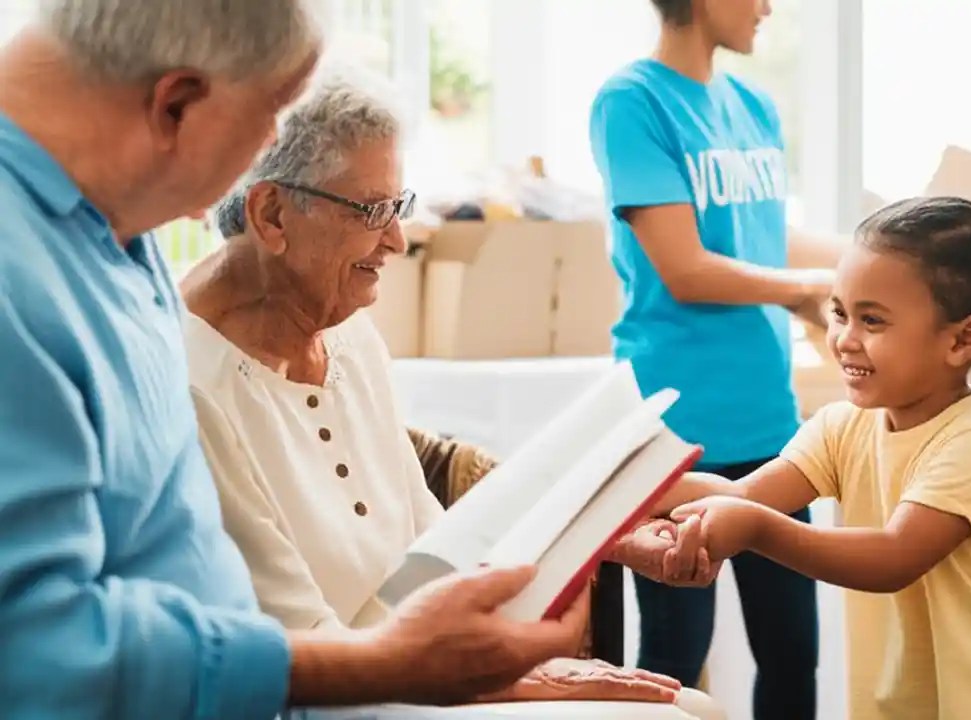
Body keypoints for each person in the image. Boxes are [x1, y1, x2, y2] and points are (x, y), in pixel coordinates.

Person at [0, 3, 638, 717]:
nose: (271, 144)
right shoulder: (20, 277)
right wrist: (392, 663)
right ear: (176, 104)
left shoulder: (117, 228)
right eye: (273, 112)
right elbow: (40, 655)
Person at [181, 67, 722, 715]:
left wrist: (590, 536)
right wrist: (493, 675)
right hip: (342, 692)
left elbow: (433, 546)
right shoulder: (190, 384)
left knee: (691, 708)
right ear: (272, 215)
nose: (396, 240)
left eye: (399, 206)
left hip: (423, 673)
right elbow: (294, 639)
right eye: (372, 210)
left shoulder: (347, 333)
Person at [651, 197, 971, 719]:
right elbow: (742, 494)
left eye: (873, 321)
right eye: (840, 313)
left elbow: (893, 557)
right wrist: (631, 497)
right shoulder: (844, 425)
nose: (845, 340)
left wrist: (756, 529)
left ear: (963, 339)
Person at [587, 1, 837, 715]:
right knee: (675, 654)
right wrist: (806, 290)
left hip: (770, 422)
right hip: (677, 427)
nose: (766, 7)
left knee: (793, 651)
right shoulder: (631, 102)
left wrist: (873, 270)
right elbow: (687, 269)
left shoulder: (754, 107)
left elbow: (763, 240)